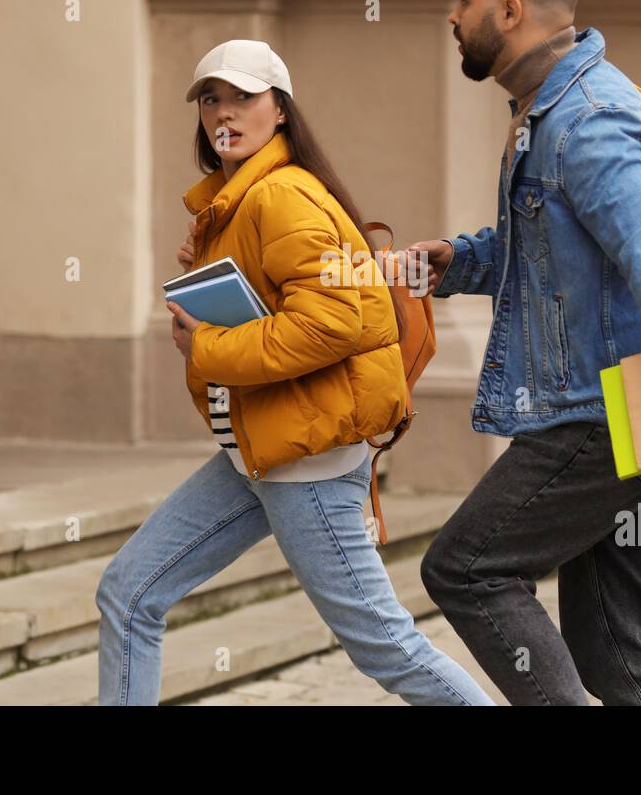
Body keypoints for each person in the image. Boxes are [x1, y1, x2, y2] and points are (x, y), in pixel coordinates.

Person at [95, 38, 494, 706]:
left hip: (305, 461)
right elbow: (277, 308)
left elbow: (336, 324)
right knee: (129, 593)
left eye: (244, 97)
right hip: (262, 448)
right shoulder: (242, 198)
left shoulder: (282, 196)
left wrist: (210, 347)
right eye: (211, 99)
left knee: (387, 648)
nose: (224, 111)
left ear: (279, 110)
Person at [409, 0, 641, 705]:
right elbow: (565, 256)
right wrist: (460, 263)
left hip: (603, 416)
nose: (452, 15)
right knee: (617, 654)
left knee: (465, 567)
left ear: (511, 9)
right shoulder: (554, 108)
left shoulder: (585, 120)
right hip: (632, 411)